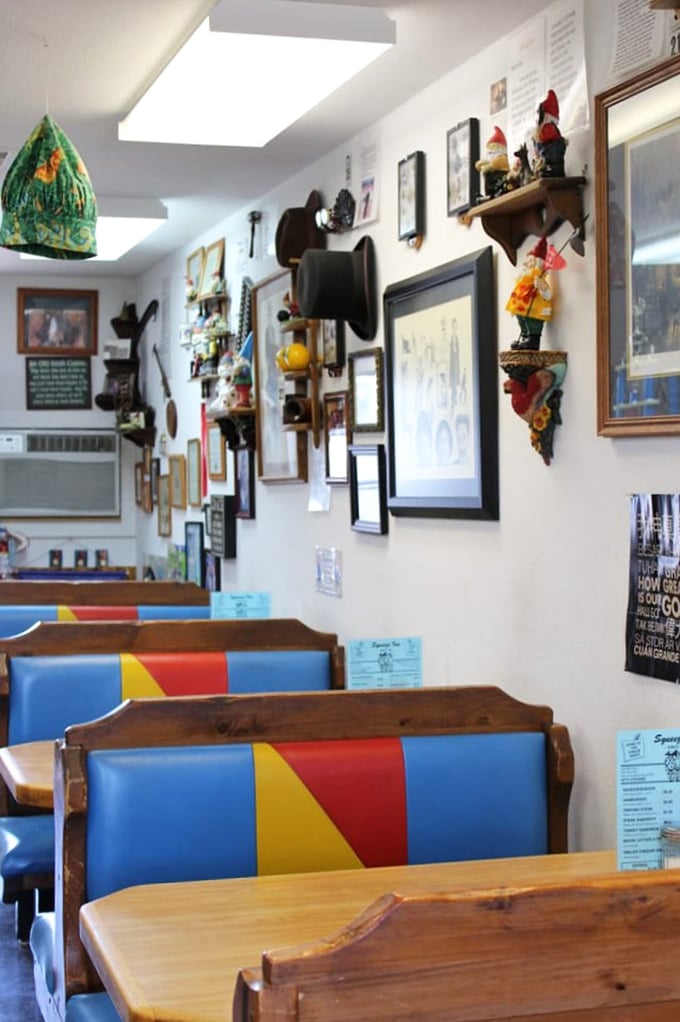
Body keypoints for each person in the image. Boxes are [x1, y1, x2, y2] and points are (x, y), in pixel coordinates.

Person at [506, 237, 552, 350]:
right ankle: (525, 337)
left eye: (531, 261)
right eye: (527, 262)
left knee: (531, 320)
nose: (527, 264)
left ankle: (533, 339)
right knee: (521, 318)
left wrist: (543, 287)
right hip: (522, 308)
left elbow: (548, 295)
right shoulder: (524, 280)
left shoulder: (538, 279)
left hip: (535, 311)